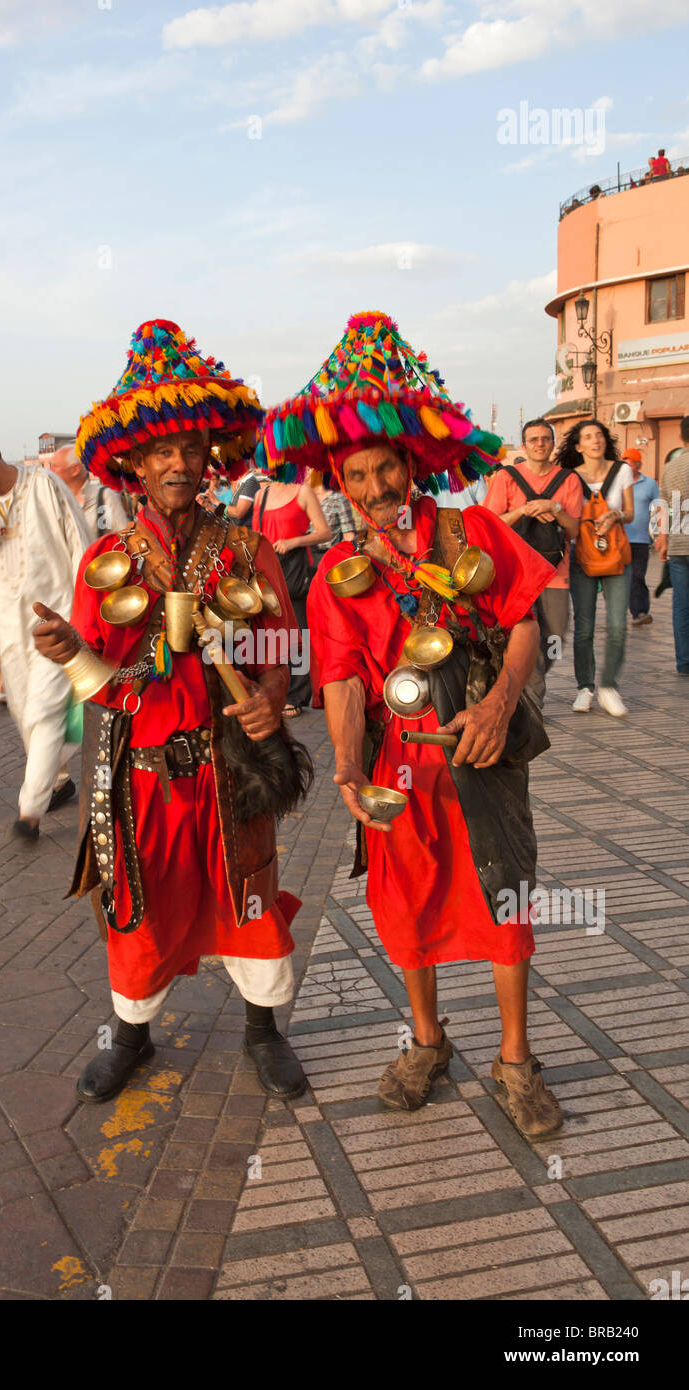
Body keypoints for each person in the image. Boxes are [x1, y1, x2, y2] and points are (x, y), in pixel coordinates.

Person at [260, 309, 563, 1140]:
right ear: (338, 480)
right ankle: (427, 1043)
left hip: (481, 748)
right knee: (406, 902)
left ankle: (515, 1062)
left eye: (382, 470)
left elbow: (530, 615)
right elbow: (342, 682)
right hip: (403, 767)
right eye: (352, 477)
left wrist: (501, 702)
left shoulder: (473, 531)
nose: (370, 491)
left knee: (502, 897)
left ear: (410, 463)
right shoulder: (335, 574)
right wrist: (351, 772)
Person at [33, 318, 311, 1104]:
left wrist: (265, 698)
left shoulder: (247, 551)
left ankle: (264, 1032)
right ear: (133, 464)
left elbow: (277, 644)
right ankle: (131, 1038)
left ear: (212, 458)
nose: (180, 464)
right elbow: (99, 684)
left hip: (231, 770)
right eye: (163, 452)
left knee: (248, 897)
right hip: (141, 773)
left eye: (192, 449)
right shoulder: (102, 560)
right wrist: (65, 651)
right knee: (136, 906)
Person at [0, 428, 91, 839]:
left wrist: (85, 615)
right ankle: (57, 776)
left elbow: (80, 545)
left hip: (54, 624)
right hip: (10, 631)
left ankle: (29, 812)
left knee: (44, 713)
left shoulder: (43, 485)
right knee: (27, 716)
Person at [483, 418, 582, 708]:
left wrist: (555, 508)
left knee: (555, 638)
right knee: (523, 635)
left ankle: (531, 680)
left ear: (552, 444)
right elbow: (491, 523)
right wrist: (522, 511)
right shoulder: (507, 477)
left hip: (555, 573)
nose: (540, 444)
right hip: (517, 573)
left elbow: (574, 530)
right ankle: (531, 700)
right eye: (534, 439)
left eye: (545, 439)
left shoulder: (569, 479)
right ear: (524, 446)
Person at [554, 421, 634, 717]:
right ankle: (585, 687)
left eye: (599, 435)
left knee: (617, 625)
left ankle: (609, 686)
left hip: (615, 556)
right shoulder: (570, 477)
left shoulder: (622, 470)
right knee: (584, 627)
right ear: (578, 446)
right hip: (580, 557)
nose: (595, 440)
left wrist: (615, 515)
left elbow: (631, 513)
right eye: (588, 437)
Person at [251, 477, 331, 714]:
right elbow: (256, 533)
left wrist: (294, 541)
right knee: (268, 631)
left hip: (294, 569)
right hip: (265, 568)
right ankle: (272, 689)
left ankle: (297, 695)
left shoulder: (303, 491)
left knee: (297, 631)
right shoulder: (260, 493)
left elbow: (325, 532)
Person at [46, 444, 129, 541]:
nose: (50, 471)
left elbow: (123, 537)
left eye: (55, 466)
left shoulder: (104, 498)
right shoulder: (53, 501)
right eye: (51, 466)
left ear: (75, 470)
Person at [658, 416, 689, 674]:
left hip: (679, 544)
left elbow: (663, 506)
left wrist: (663, 539)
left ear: (681, 438)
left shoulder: (671, 468)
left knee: (681, 604)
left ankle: (684, 661)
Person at [622, 449, 660, 626]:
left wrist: (660, 535)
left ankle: (640, 611)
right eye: (624, 462)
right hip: (621, 539)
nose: (627, 466)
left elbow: (659, 508)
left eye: (630, 462)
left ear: (638, 464)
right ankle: (637, 611)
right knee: (626, 577)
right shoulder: (619, 483)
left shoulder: (650, 484)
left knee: (638, 575)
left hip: (641, 540)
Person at [309, 469, 357, 552]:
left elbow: (348, 535)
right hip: (302, 558)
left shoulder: (337, 499)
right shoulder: (301, 498)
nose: (304, 471)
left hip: (327, 555)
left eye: (309, 468)